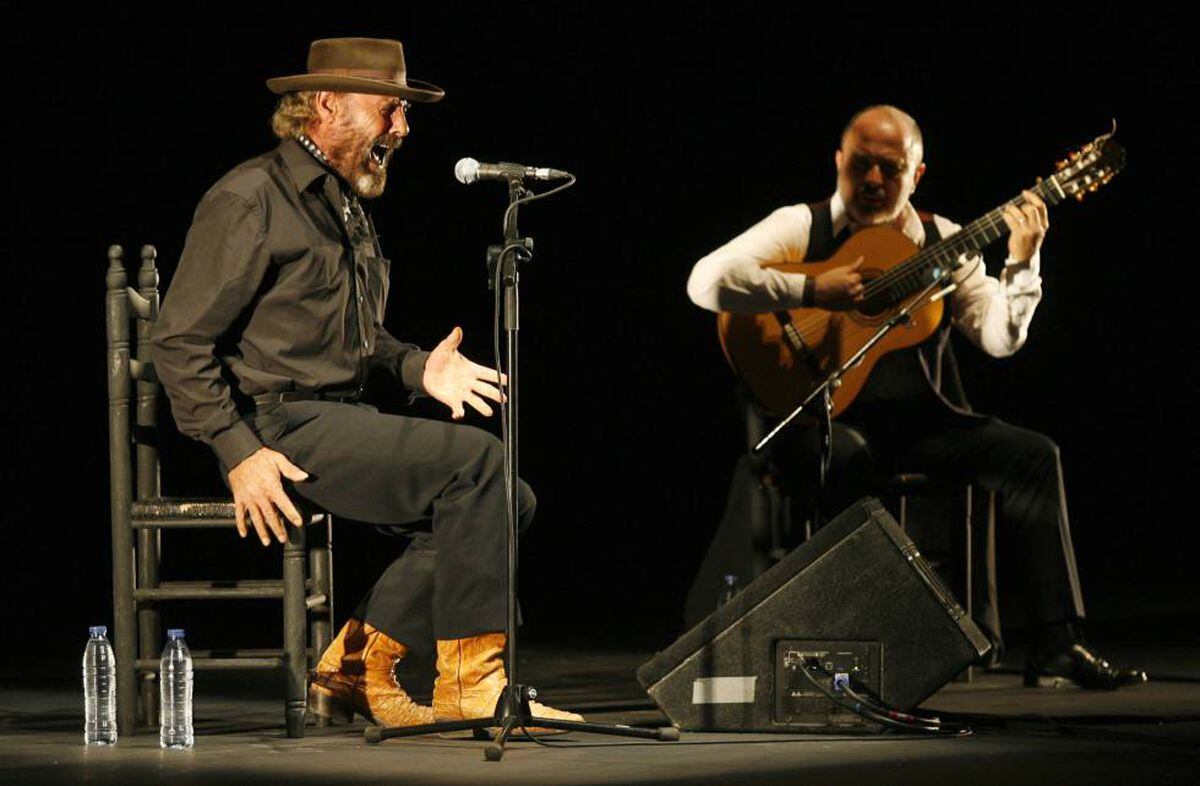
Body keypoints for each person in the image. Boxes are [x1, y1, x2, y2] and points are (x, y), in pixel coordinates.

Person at [152, 37, 582, 727]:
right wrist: (238, 453)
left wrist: (416, 367)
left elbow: (350, 336)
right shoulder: (251, 199)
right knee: (481, 466)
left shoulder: (343, 206)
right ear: (326, 105)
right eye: (390, 111)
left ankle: (354, 668)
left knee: (508, 497)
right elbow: (177, 342)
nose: (403, 129)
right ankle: (471, 682)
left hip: (330, 417)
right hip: (277, 428)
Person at [687, 105, 1146, 689]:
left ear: (917, 173)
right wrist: (812, 287)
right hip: (814, 421)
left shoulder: (944, 240)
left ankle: (1056, 643)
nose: (874, 181)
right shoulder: (801, 226)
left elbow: (1000, 341)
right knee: (845, 456)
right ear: (838, 161)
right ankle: (867, 650)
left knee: (1033, 456)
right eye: (861, 165)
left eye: (890, 168)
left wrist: (1023, 259)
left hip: (916, 426)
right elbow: (704, 282)